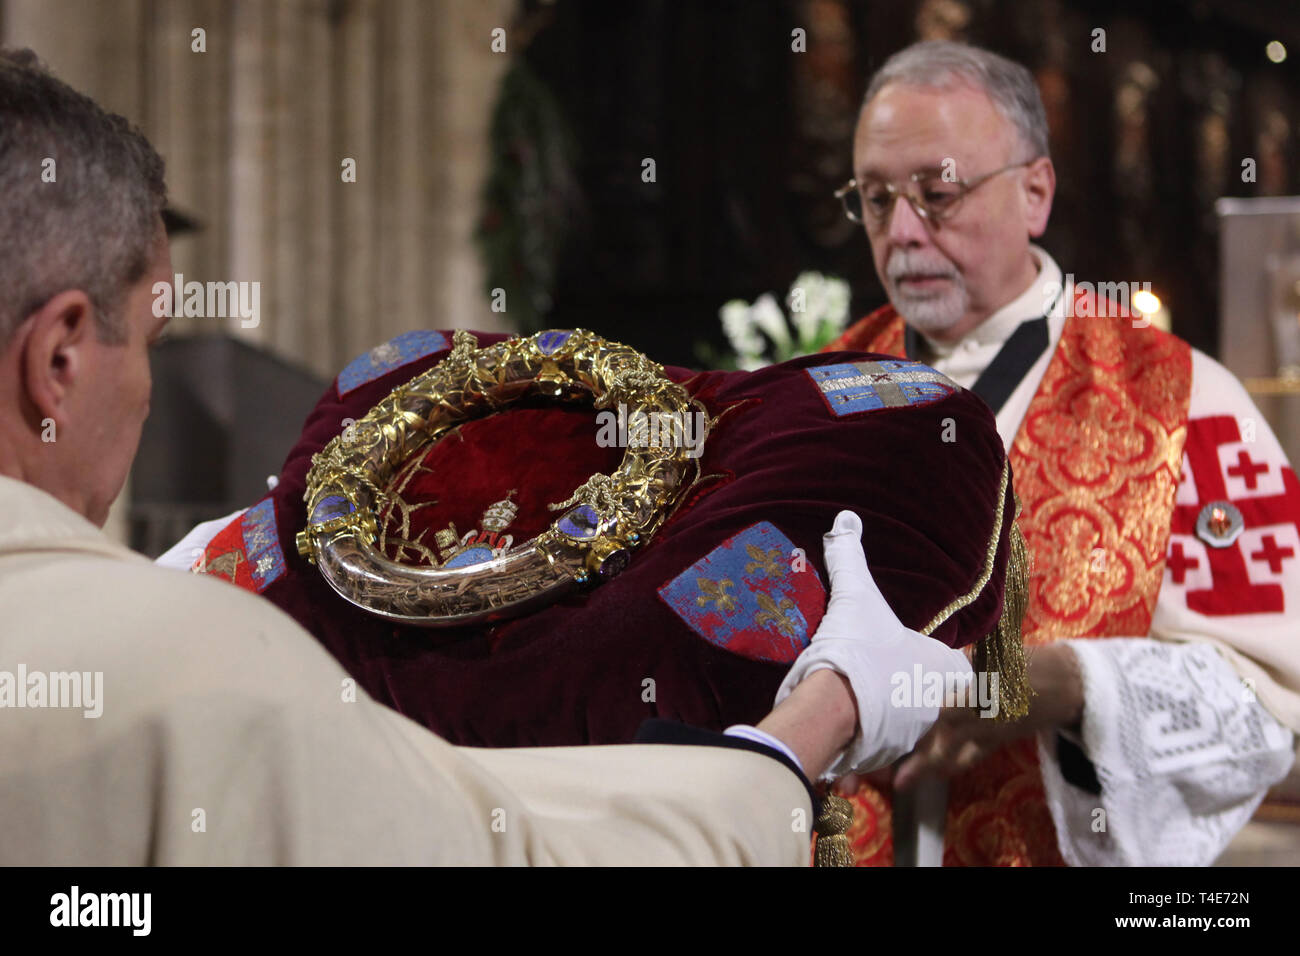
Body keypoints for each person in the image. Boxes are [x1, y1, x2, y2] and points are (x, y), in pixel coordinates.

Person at [0, 48, 970, 865]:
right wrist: (816, 720)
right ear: (59, 357)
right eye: (154, 342)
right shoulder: (198, 670)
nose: (147, 392)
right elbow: (499, 852)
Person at [826, 40, 1300, 866]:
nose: (901, 232)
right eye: (874, 200)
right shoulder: (817, 394)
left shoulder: (1188, 406)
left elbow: (1271, 708)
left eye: (938, 193)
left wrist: (1077, 686)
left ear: (1035, 192)